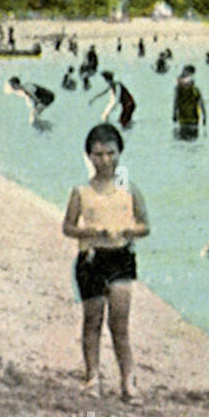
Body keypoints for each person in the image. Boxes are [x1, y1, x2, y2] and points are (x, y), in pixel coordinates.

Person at [61, 124, 149, 402]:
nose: (105, 160)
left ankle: (128, 382)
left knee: (120, 325)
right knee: (92, 321)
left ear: (120, 153)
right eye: (98, 154)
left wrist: (125, 231)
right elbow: (68, 227)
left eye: (111, 153)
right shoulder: (81, 191)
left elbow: (145, 226)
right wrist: (91, 232)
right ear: (88, 156)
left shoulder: (129, 189)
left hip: (121, 258)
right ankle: (93, 378)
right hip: (91, 259)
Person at [172, 65, 206, 140]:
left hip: (191, 119)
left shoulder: (194, 90)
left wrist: (204, 116)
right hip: (185, 118)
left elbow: (201, 103)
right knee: (188, 137)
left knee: (188, 137)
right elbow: (176, 102)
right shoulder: (179, 90)